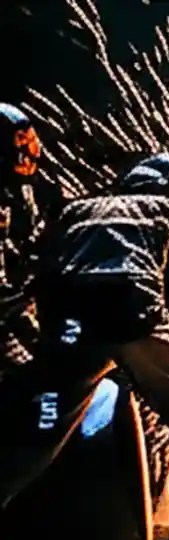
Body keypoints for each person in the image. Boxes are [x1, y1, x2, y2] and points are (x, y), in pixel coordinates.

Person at [0, 153, 169, 540]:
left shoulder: (73, 211)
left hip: (73, 329)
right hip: (137, 320)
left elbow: (38, 276)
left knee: (38, 440)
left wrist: (49, 351)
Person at [0, 103, 52, 387]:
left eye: (29, 141)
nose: (28, 154)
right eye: (19, 144)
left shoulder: (20, 191)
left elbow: (32, 247)